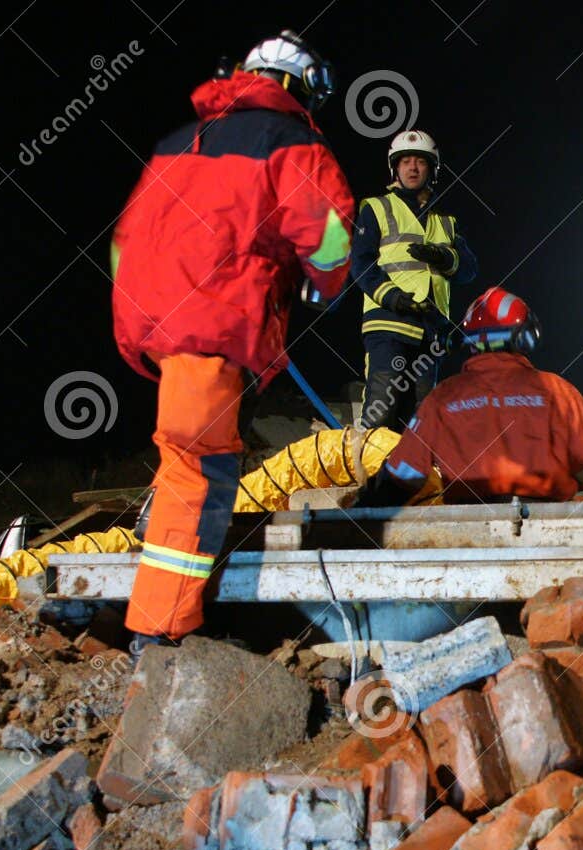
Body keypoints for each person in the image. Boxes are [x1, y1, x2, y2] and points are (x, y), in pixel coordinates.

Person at [110, 31, 355, 654]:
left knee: (186, 457)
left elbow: (124, 242)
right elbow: (326, 229)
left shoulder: (177, 143)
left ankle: (162, 606)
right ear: (300, 86)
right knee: (202, 471)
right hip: (213, 325)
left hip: (164, 326)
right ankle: (159, 633)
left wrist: (151, 303)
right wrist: (324, 285)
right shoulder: (291, 140)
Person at [366, 287, 583, 505]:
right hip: (548, 535)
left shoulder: (442, 397)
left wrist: (356, 511)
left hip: (469, 540)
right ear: (525, 336)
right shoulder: (557, 391)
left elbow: (401, 476)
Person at [350, 129, 477, 430]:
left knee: (420, 422)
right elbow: (361, 263)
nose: (412, 168)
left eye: (420, 161)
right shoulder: (376, 208)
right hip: (389, 324)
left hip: (431, 331)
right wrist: (391, 296)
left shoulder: (447, 221)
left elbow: (469, 270)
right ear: (395, 167)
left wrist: (444, 257)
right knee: (381, 410)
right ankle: (372, 476)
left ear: (432, 169)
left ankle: (408, 477)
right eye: (405, 161)